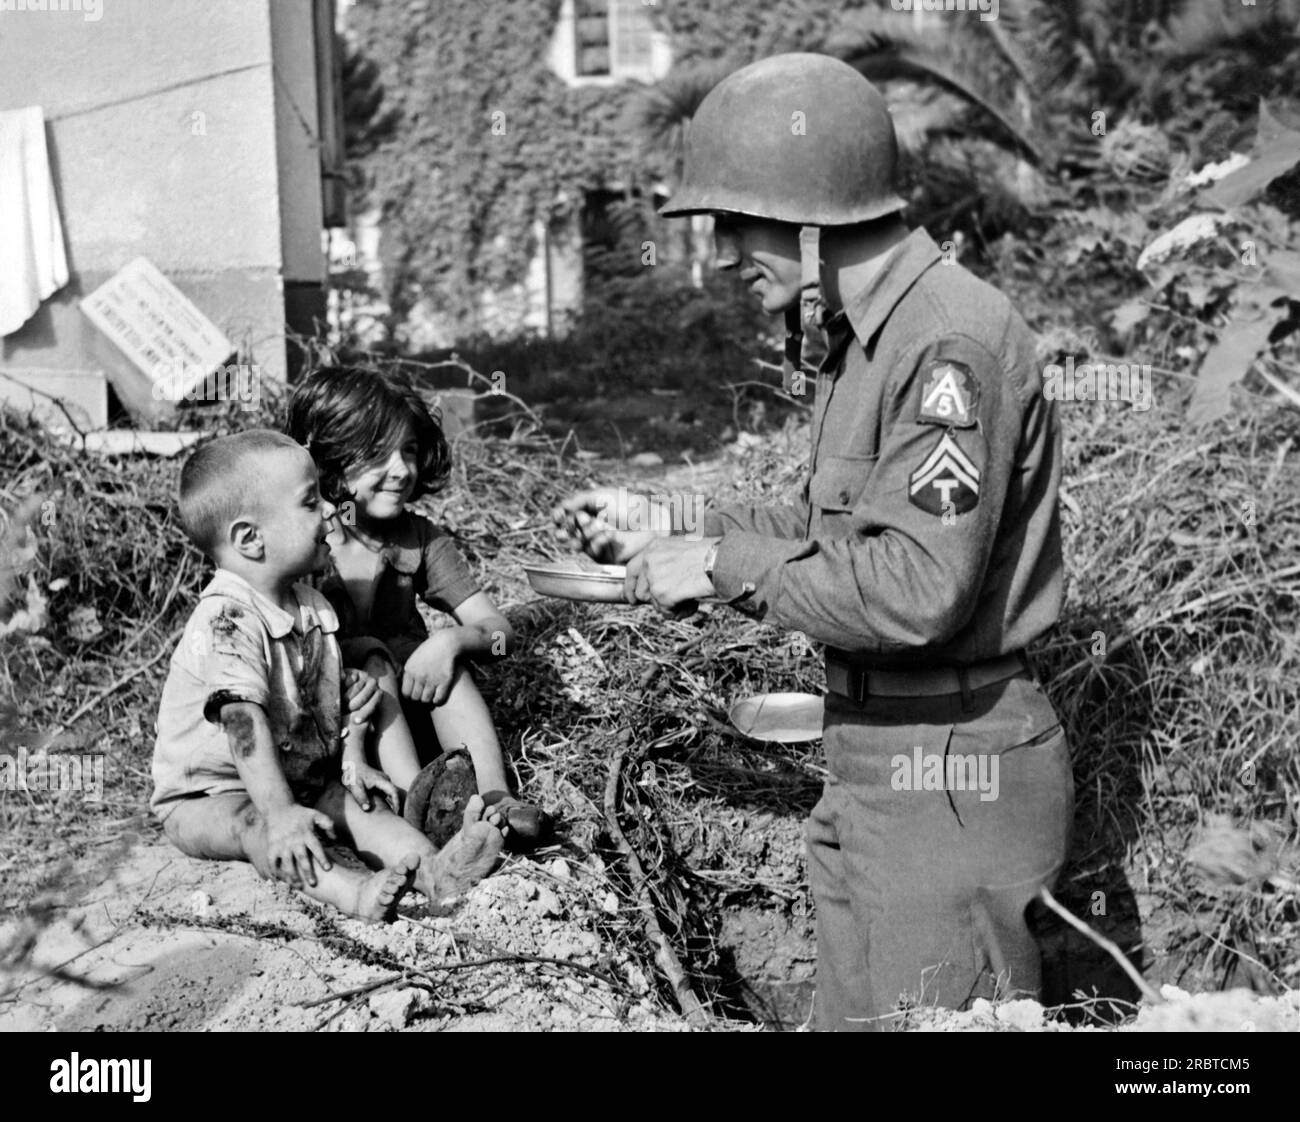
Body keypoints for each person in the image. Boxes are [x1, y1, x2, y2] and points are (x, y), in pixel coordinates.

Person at [555, 53, 1073, 1030]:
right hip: (881, 757)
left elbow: (917, 590)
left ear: (804, 221)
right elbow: (832, 531)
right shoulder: (867, 340)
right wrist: (667, 522)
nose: (724, 256)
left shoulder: (940, 345)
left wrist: (717, 565)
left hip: (949, 769)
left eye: (732, 224)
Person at [152, 429, 507, 922]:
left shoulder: (313, 607)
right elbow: (241, 721)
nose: (329, 511)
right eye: (308, 501)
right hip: (210, 796)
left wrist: (355, 753)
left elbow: (329, 697)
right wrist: (278, 811)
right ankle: (355, 892)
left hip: (302, 777)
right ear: (251, 539)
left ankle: (436, 871)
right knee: (261, 830)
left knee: (366, 811)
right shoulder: (227, 619)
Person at [285, 366, 549, 842]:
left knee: (452, 672)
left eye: (408, 450)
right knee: (370, 654)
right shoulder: (307, 538)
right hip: (330, 715)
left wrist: (454, 640)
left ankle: (495, 797)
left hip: (410, 711)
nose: (402, 470)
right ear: (331, 457)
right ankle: (411, 803)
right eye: (377, 454)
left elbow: (500, 634)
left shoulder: (421, 539)